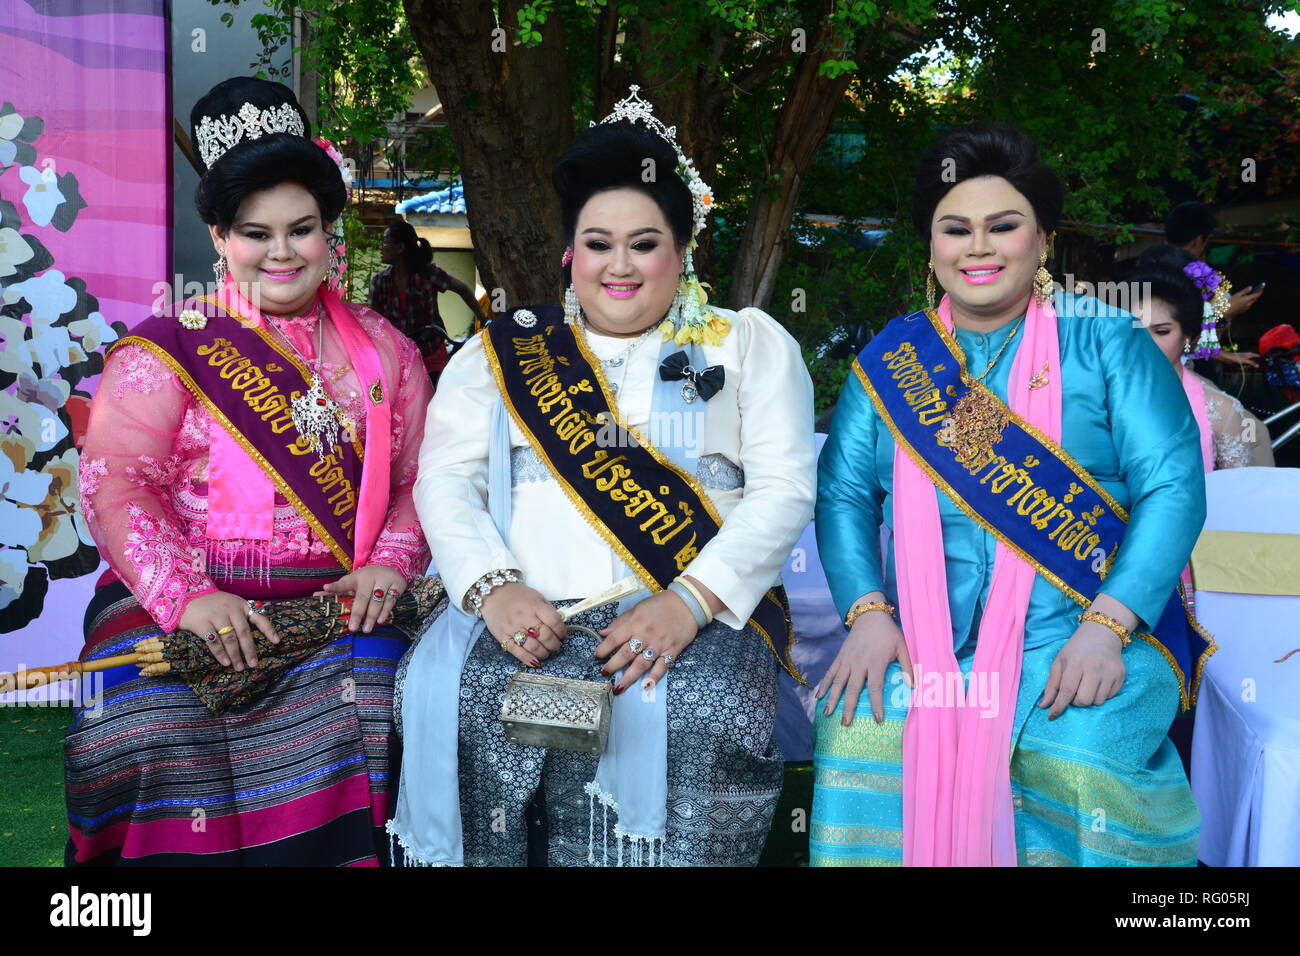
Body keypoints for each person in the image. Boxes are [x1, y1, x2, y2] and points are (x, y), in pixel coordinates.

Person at [387, 89, 816, 867]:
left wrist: (688, 604)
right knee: (463, 700)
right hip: (526, 613)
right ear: (570, 254)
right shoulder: (503, 352)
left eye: (645, 243)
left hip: (696, 620)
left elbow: (785, 490)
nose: (620, 265)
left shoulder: (747, 345)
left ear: (682, 250)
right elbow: (445, 480)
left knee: (701, 713)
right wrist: (493, 588)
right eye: (598, 243)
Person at [812, 123, 1213, 866]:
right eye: (955, 229)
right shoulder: (893, 361)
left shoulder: (1107, 343)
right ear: (930, 248)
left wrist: (1107, 626)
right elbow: (841, 495)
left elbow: (1174, 488)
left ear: (1045, 240)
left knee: (1074, 754)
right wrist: (867, 616)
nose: (979, 248)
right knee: (858, 728)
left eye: (1004, 226)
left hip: (1091, 628)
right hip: (928, 644)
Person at [66, 77, 432, 865]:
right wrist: (189, 595)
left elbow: (417, 481)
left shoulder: (388, 352)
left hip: (336, 605)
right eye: (255, 232)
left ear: (331, 233)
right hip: (182, 598)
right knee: (139, 725)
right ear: (219, 234)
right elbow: (117, 482)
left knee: (373, 698)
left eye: (301, 229)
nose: (280, 252)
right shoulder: (166, 345)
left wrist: (391, 569)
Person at [1128, 262, 1274, 469]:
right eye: (1135, 330)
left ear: (1188, 335)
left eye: (1161, 332)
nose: (1146, 342)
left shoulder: (1222, 412)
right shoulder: (1096, 396)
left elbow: (1238, 493)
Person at [369, 219, 486, 388]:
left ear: (401, 248)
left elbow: (463, 289)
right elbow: (375, 322)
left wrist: (483, 318)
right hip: (399, 356)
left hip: (430, 352)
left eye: (386, 242)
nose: (381, 247)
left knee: (433, 397)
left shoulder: (428, 273)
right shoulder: (380, 282)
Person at [1163, 202, 1262, 367]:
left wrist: (1224, 355)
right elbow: (1176, 338)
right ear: (1199, 240)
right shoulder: (1176, 277)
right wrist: (1224, 313)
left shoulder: (1150, 268)